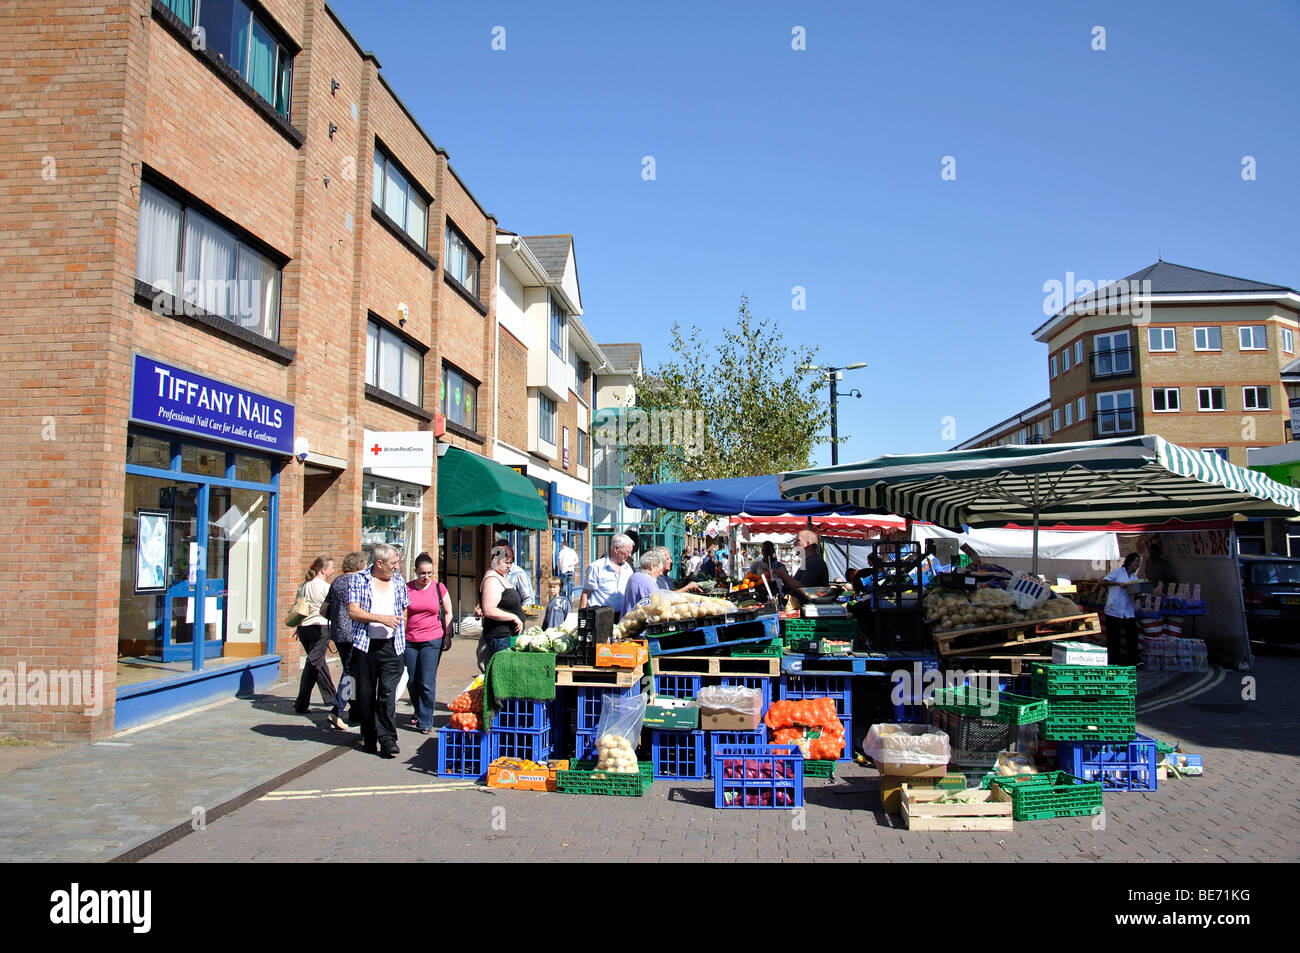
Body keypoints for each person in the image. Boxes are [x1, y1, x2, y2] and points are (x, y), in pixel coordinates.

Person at [346, 543, 410, 758]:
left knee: (387, 694)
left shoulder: (398, 580)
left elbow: (404, 608)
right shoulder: (359, 579)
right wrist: (381, 618)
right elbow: (353, 611)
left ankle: (388, 738)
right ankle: (370, 737)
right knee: (365, 696)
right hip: (365, 646)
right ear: (379, 563)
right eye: (393, 563)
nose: (396, 566)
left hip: (392, 647)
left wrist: (401, 627)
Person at [403, 552, 452, 735]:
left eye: (430, 573)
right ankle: (419, 709)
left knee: (426, 681)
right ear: (416, 571)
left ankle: (425, 720)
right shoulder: (407, 588)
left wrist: (446, 634)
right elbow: (400, 613)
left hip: (432, 639)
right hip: (410, 640)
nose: (426, 577)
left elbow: (448, 611)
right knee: (412, 680)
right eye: (422, 573)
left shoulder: (439, 588)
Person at [324, 550, 366, 730]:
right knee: (350, 673)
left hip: (338, 633)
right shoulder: (358, 581)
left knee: (351, 671)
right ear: (359, 566)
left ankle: (354, 711)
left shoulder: (336, 582)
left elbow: (323, 609)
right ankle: (337, 709)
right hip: (354, 632)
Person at [293, 555, 336, 716]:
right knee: (313, 664)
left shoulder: (304, 585)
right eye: (331, 568)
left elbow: (298, 606)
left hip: (304, 628)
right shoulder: (325, 587)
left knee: (319, 663)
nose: (332, 570)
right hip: (320, 628)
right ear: (323, 570)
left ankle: (331, 697)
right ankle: (301, 703)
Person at [481, 543, 525, 661]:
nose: (509, 566)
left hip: (506, 637)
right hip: (500, 638)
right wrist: (514, 617)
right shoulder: (492, 579)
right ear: (496, 560)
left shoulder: (499, 576)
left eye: (511, 563)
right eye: (506, 562)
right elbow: (489, 610)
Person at [1101, 552, 1142, 665]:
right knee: (1114, 638)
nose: (1137, 564)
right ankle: (1114, 662)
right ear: (1129, 562)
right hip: (1114, 610)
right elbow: (1102, 582)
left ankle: (1133, 661)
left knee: (1133, 636)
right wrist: (1117, 584)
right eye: (1136, 561)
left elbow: (1136, 593)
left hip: (1128, 611)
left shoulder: (1134, 578)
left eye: (1139, 562)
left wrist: (1139, 594)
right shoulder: (1117, 572)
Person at [580, 533, 634, 615]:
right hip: (600, 617)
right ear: (616, 549)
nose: (630, 555)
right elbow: (585, 594)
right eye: (627, 552)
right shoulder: (596, 567)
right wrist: (582, 619)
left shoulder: (628, 568)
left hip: (622, 617)